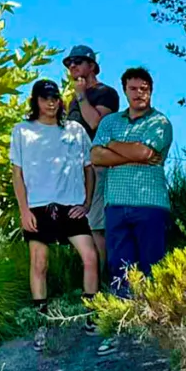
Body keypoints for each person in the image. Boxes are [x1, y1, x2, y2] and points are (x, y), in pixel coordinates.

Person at [8, 80, 103, 317]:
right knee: (40, 263)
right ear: (36, 101)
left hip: (71, 206)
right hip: (38, 207)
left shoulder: (74, 129)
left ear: (60, 101)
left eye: (54, 98)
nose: (50, 103)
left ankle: (90, 315)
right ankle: (42, 320)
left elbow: (88, 168)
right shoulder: (22, 130)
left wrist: (87, 204)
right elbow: (17, 174)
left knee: (90, 257)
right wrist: (24, 211)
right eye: (44, 98)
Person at [89, 65, 174, 294]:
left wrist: (111, 146)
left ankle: (152, 320)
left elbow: (144, 153)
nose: (139, 93)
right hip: (116, 204)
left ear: (151, 91)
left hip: (150, 204)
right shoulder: (110, 122)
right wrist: (131, 153)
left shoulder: (159, 122)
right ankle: (123, 321)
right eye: (133, 88)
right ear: (125, 91)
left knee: (152, 267)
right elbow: (95, 156)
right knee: (119, 267)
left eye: (144, 89)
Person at [62, 47, 110, 248]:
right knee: (77, 227)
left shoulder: (105, 92)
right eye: (69, 63)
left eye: (78, 61)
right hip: (74, 169)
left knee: (95, 227)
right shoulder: (73, 99)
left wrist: (81, 95)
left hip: (96, 166)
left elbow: (95, 124)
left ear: (92, 66)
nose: (72, 65)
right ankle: (84, 276)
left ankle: (102, 278)